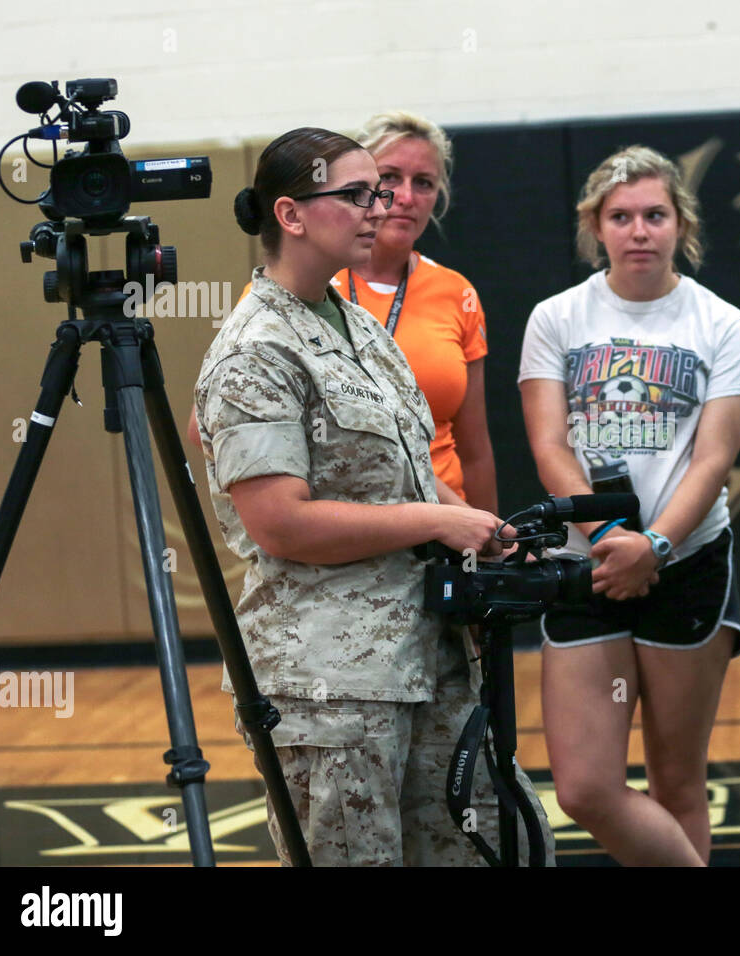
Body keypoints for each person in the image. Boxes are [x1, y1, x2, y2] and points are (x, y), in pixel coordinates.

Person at [194, 126, 552, 866]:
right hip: (330, 681)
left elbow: (410, 472)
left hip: (428, 652)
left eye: (379, 193)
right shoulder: (255, 347)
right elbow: (280, 523)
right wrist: (438, 520)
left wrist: (473, 530)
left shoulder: (355, 322)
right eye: (356, 195)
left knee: (505, 845)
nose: (376, 209)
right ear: (291, 215)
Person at [518, 144, 740, 866]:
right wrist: (614, 540)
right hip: (587, 565)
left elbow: (714, 459)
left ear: (680, 223)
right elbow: (550, 446)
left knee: (678, 782)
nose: (639, 231)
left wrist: (651, 548)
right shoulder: (556, 318)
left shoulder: (724, 324)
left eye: (655, 215)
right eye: (621, 217)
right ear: (596, 226)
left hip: (685, 564)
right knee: (586, 788)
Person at [193, 111, 497, 511]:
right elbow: (274, 508)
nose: (391, 204)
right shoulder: (267, 323)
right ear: (291, 214)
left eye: (423, 182)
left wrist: (489, 540)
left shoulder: (376, 318)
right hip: (346, 550)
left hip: (428, 542)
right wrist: (430, 521)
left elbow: (464, 448)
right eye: (373, 186)